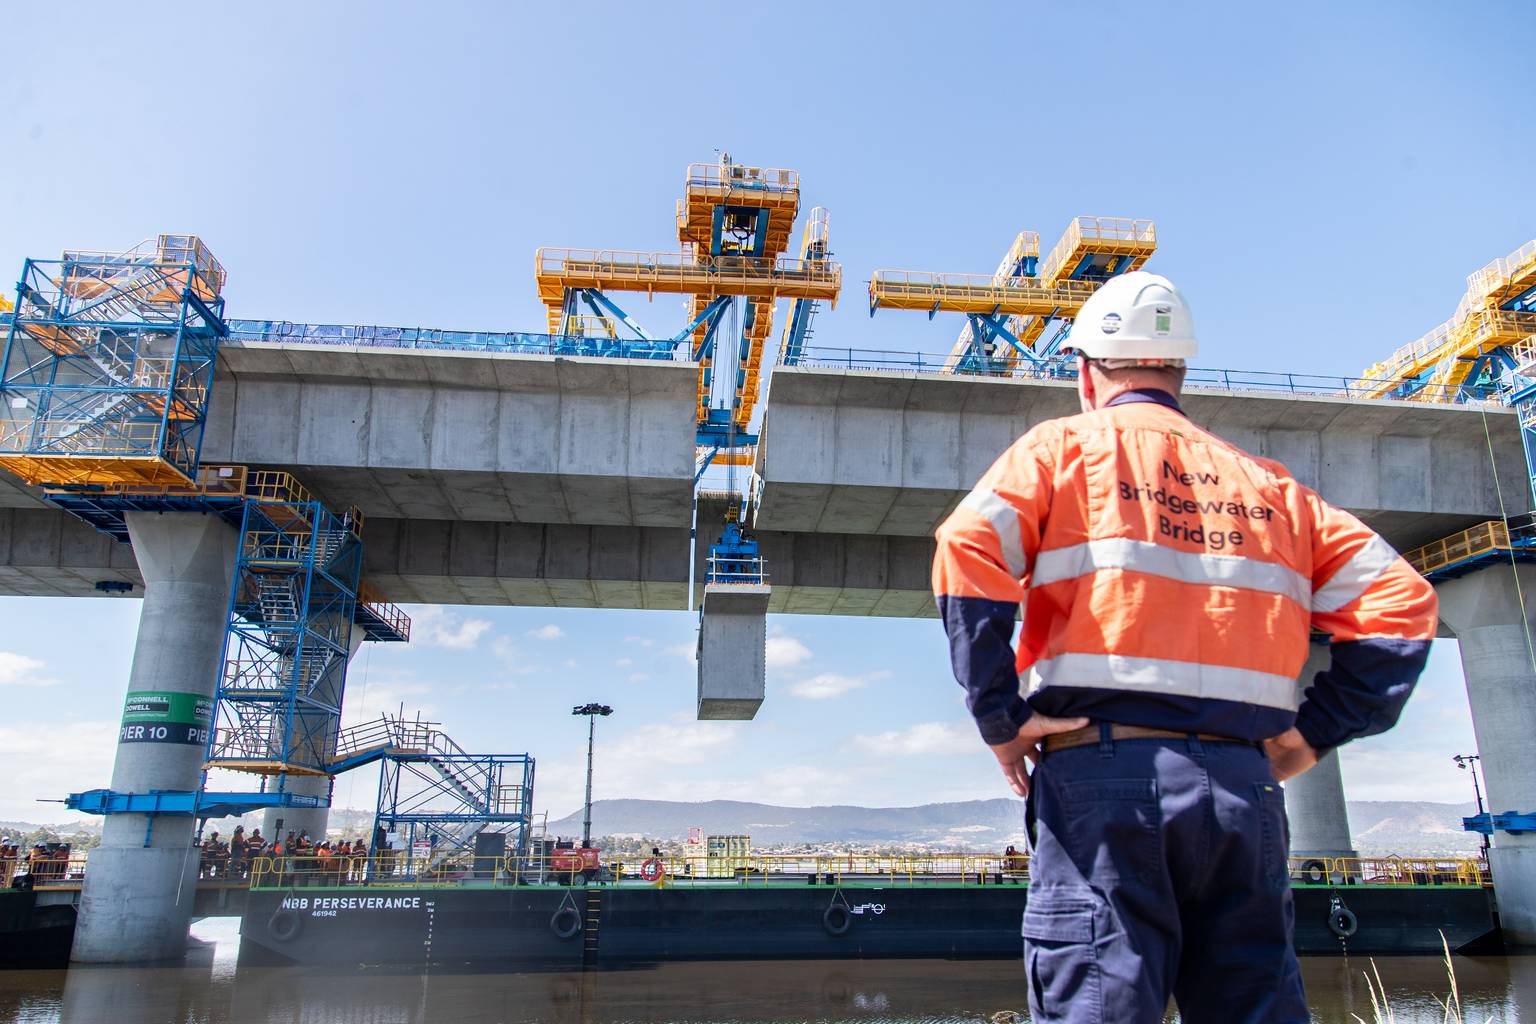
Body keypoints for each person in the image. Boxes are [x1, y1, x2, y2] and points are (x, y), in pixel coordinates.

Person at [932, 271, 1437, 1023]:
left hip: (1102, 777)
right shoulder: (1274, 490)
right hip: (1245, 786)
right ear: (1179, 372)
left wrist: (1001, 720)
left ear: (1084, 373)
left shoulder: (1060, 450)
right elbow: (1402, 603)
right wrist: (1310, 735)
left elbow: (967, 548)